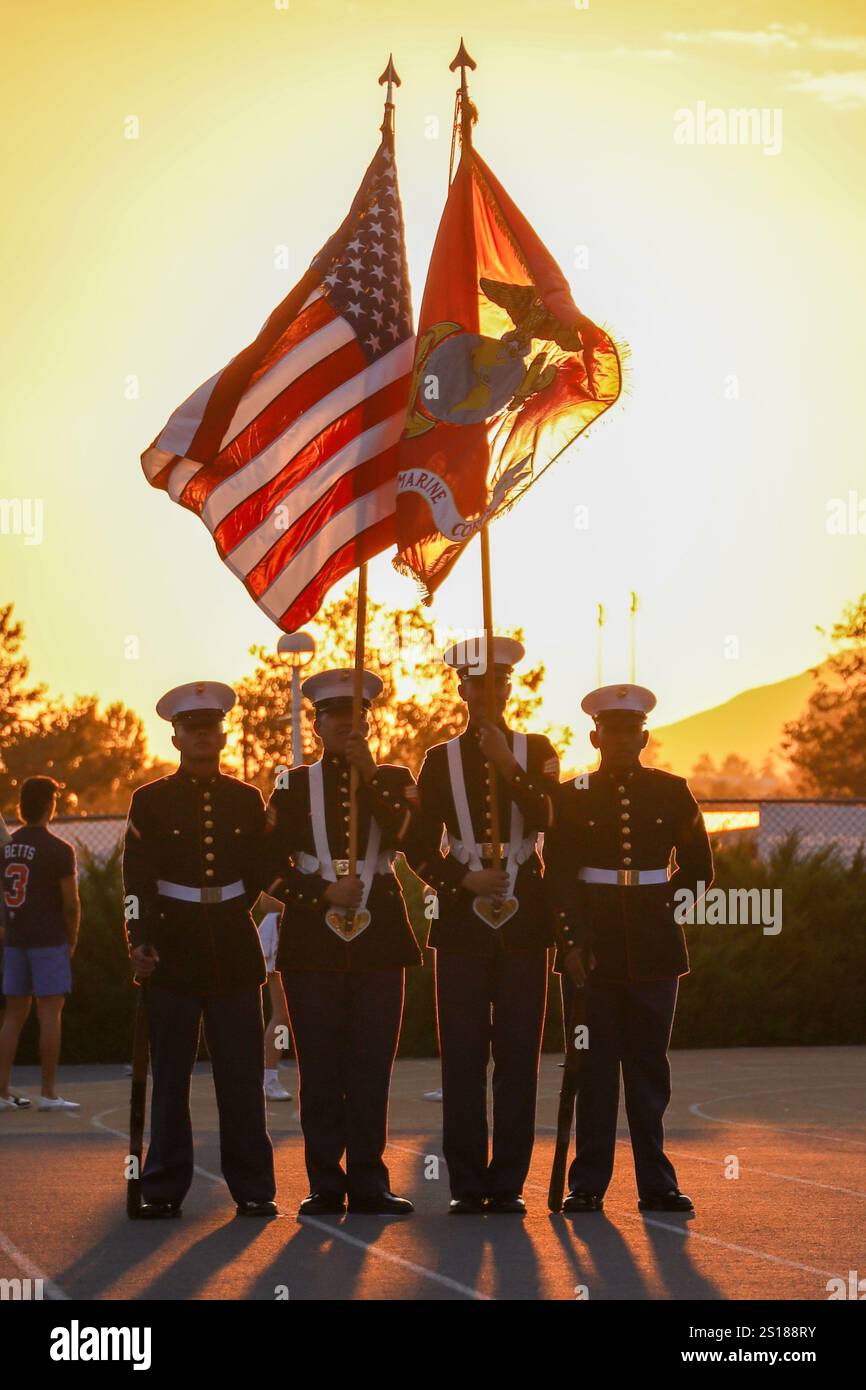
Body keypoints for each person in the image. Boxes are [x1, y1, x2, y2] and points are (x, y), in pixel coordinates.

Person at [404, 636, 560, 1215]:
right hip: (464, 918)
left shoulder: (536, 747)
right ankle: (468, 1184)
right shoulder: (438, 760)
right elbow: (416, 846)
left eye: (500, 682)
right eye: (478, 683)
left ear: (509, 688)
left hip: (524, 918)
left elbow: (549, 817)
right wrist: (457, 880)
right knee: (464, 1057)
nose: (489, 691)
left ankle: (509, 1182)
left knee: (519, 1056)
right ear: (462, 689)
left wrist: (505, 765)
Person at [545, 683, 714, 1215]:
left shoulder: (672, 791)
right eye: (610, 732)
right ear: (595, 736)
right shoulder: (569, 796)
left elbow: (700, 869)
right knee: (591, 1067)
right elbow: (559, 878)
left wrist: (665, 911)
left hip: (653, 951)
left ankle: (656, 1182)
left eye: (630, 732)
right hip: (590, 951)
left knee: (647, 1068)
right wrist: (570, 945)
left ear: (644, 737)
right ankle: (587, 1183)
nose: (620, 740)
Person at [264, 668, 421, 1217]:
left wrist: (370, 775)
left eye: (356, 717)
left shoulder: (393, 775)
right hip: (313, 939)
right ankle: (325, 1184)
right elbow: (267, 865)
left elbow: (412, 838)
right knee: (322, 1068)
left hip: (378, 933)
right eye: (334, 717)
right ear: (317, 724)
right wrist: (322, 891)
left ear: (369, 724)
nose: (345, 726)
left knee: (371, 1066)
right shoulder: (292, 784)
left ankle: (370, 1182)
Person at [122, 682, 276, 1219]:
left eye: (212, 727)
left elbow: (258, 869)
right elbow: (136, 880)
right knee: (170, 1079)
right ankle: (162, 1187)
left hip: (233, 944)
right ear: (176, 737)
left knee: (241, 1077)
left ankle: (254, 1187)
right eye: (194, 728)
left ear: (223, 734)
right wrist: (138, 941)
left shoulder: (246, 798)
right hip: (172, 946)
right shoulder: (150, 800)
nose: (204, 735)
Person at [0, 777, 80, 1112]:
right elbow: (71, 903)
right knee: (50, 1014)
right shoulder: (59, 850)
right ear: (49, 805)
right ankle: (48, 1093)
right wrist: (72, 938)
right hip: (49, 941)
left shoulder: (5, 848)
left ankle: (2, 1093)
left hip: (15, 940)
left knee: (13, 1016)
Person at [257, 896, 292, 1102]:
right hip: (282, 933)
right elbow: (266, 902)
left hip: (305, 936)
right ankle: (268, 1079)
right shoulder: (286, 862)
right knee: (283, 1015)